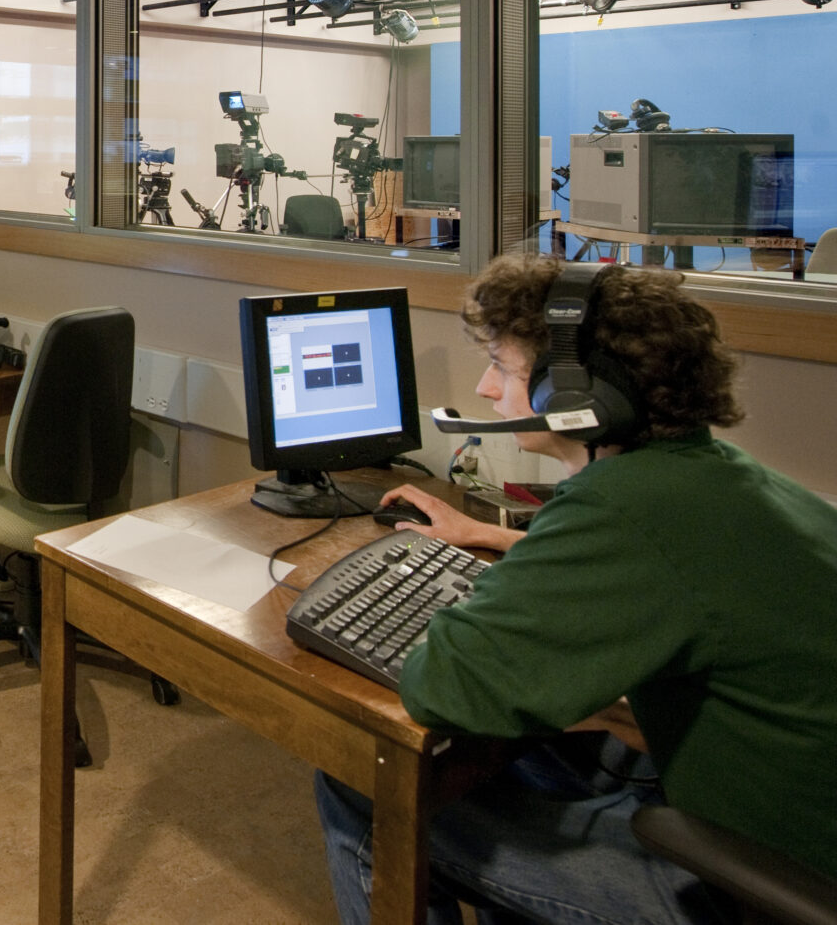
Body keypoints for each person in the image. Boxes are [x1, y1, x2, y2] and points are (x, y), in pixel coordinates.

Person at [315, 254, 837, 924]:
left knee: (366, 778)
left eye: (503, 367)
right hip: (793, 826)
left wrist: (459, 603)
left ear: (580, 395)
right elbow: (677, 577)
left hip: (759, 880)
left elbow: (443, 683)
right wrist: (500, 540)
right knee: (531, 758)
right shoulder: (713, 477)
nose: (486, 386)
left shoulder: (621, 507)